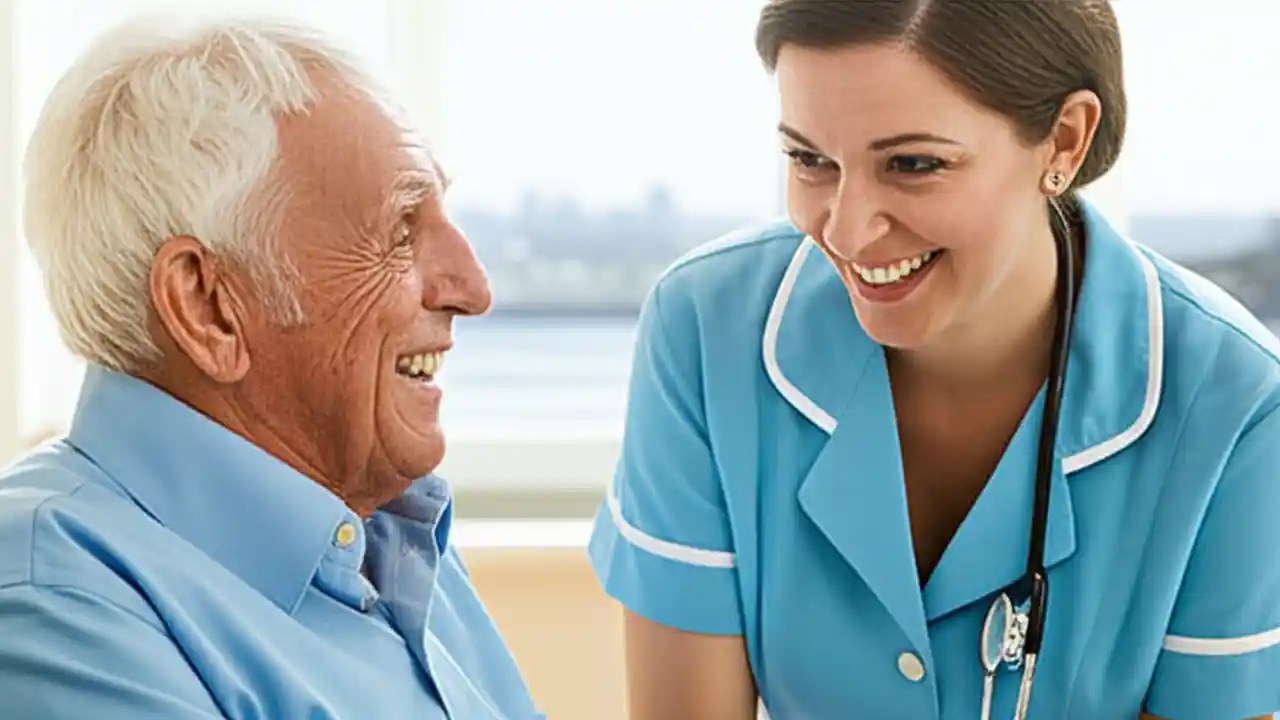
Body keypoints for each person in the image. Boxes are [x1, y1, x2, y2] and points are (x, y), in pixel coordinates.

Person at [588, 2, 1280, 719]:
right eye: (810, 159)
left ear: (1063, 142)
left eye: (914, 164)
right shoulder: (707, 330)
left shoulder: (1235, 406)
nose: (848, 229)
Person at [0, 14, 544, 720]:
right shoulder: (51, 601)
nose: (473, 288)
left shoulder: (386, 530)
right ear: (208, 307)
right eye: (401, 230)